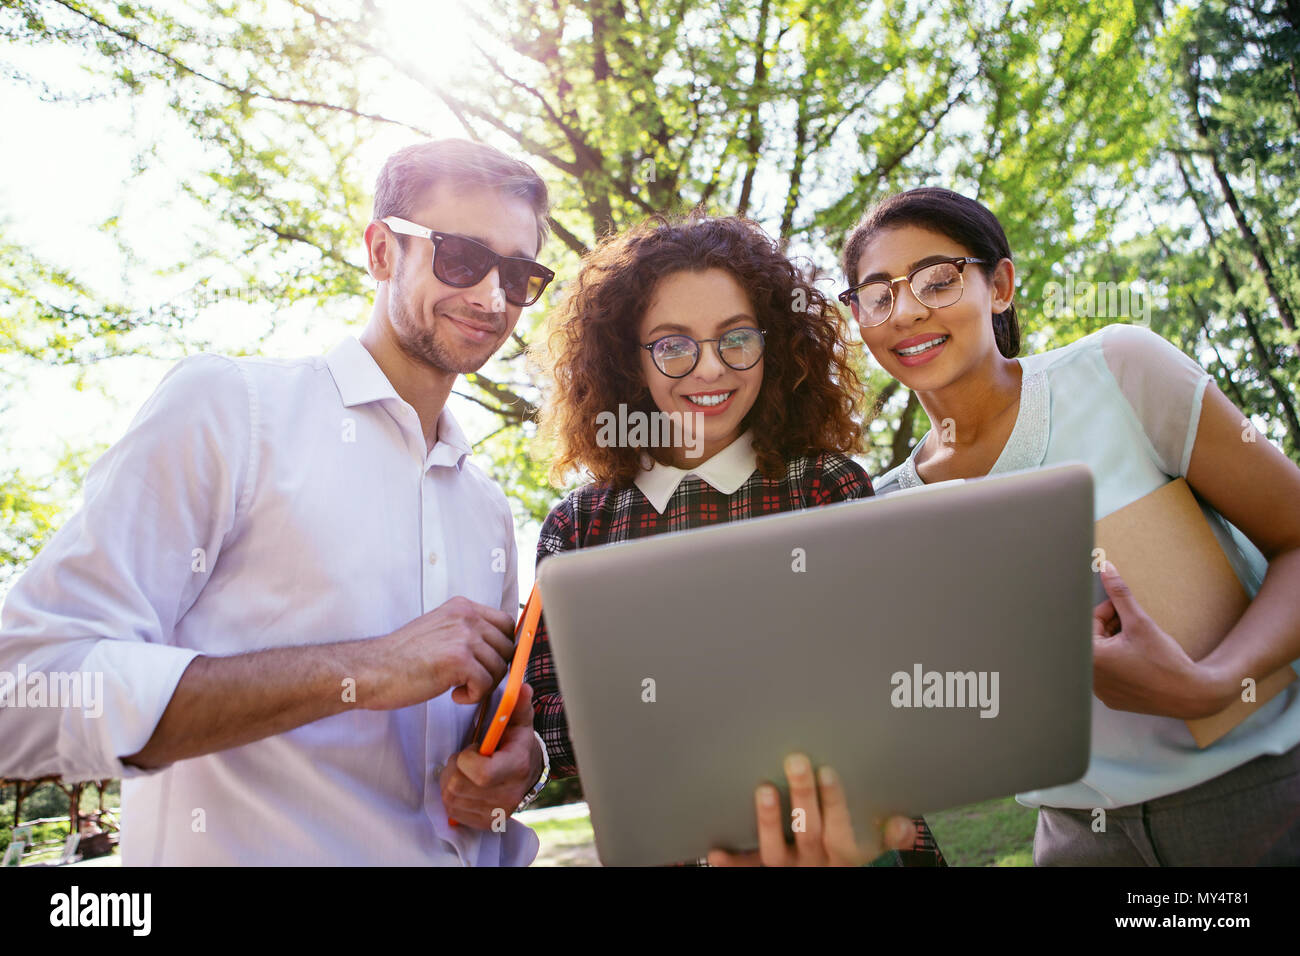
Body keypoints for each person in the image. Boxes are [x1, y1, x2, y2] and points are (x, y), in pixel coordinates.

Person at [0, 139, 557, 865]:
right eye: (461, 258)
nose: (491, 297)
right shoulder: (230, 411)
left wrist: (522, 763)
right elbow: (23, 694)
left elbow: (474, 748)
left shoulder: (485, 506)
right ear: (382, 250)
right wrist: (364, 670)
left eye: (519, 275)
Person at [839, 186, 1300, 865]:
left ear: (999, 286)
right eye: (876, 296)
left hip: (1257, 799)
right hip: (1078, 837)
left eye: (937, 280)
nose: (905, 310)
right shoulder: (885, 512)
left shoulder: (1119, 371)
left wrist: (1214, 681)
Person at [522, 213, 946, 866]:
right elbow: (540, 720)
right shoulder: (580, 526)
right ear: (626, 359)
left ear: (770, 343)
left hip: (848, 843)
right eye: (672, 345)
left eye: (736, 339)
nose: (709, 369)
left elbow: (894, 681)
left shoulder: (828, 487)